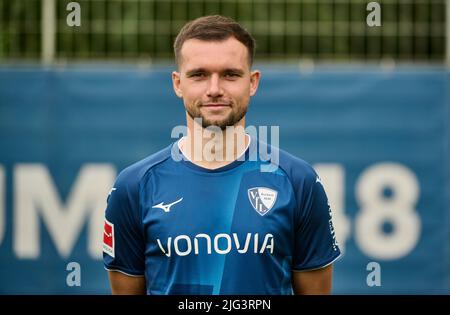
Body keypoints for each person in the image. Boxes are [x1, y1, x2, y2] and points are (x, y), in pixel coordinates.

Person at [103, 15, 340, 295]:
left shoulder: (298, 181)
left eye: (230, 74)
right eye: (199, 75)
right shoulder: (133, 186)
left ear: (252, 82)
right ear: (178, 83)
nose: (214, 89)